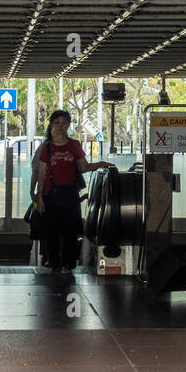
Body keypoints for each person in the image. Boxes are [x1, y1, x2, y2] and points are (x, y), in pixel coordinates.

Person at [33, 110, 112, 274]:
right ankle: (54, 263)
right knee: (51, 232)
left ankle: (68, 265)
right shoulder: (46, 148)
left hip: (70, 193)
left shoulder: (74, 145)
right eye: (57, 122)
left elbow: (83, 167)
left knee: (70, 231)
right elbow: (41, 173)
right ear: (51, 125)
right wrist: (39, 197)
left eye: (64, 122)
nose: (61, 126)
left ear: (69, 125)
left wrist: (100, 164)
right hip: (50, 194)